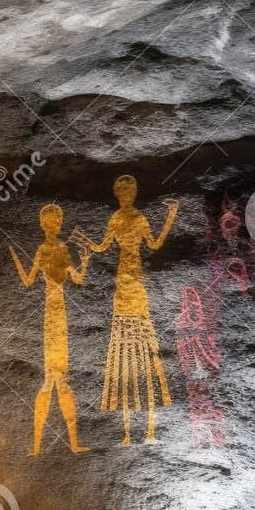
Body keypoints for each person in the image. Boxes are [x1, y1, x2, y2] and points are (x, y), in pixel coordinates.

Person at [74, 175, 180, 445]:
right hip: (122, 286)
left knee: (144, 352)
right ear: (117, 193)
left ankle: (152, 431)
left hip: (135, 284)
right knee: (122, 355)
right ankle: (127, 433)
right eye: (122, 191)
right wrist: (85, 242)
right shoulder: (116, 218)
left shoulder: (138, 217)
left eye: (129, 191)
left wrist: (171, 216)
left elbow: (154, 244)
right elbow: (102, 246)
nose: (126, 195)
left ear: (134, 192)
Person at [9, 204, 91, 454]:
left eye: (57, 222)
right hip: (51, 314)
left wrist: (85, 262)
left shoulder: (63, 249)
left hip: (61, 314)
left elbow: (77, 278)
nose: (53, 226)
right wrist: (17, 260)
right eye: (49, 223)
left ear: (59, 224)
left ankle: (72, 443)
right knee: (51, 379)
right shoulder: (42, 249)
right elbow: (28, 280)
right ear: (43, 225)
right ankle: (37, 445)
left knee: (60, 379)